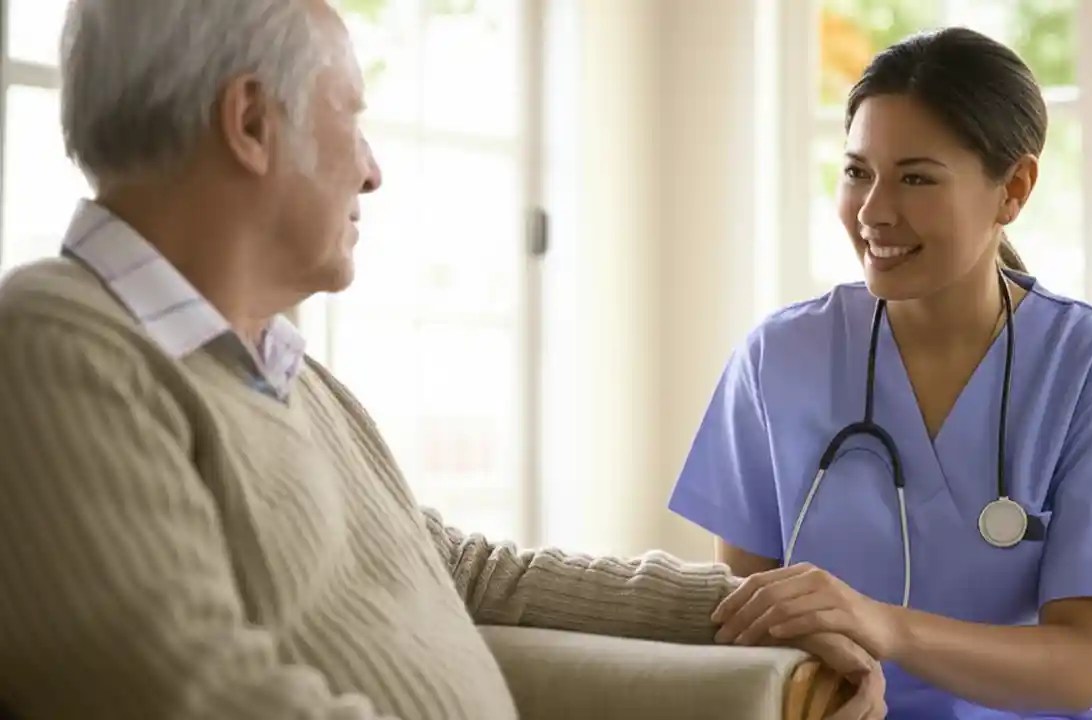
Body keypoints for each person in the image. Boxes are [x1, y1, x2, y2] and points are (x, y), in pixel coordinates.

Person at [0, 1, 885, 718]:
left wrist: (763, 605)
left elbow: (463, 572)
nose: (372, 171)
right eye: (351, 117)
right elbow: (186, 695)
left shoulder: (283, 374)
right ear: (252, 122)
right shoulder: (60, 347)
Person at [669, 27, 1092, 719]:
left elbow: (1078, 667)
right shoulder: (777, 359)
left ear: (1013, 190)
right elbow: (745, 623)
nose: (874, 212)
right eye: (857, 172)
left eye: (915, 178)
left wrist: (885, 626)